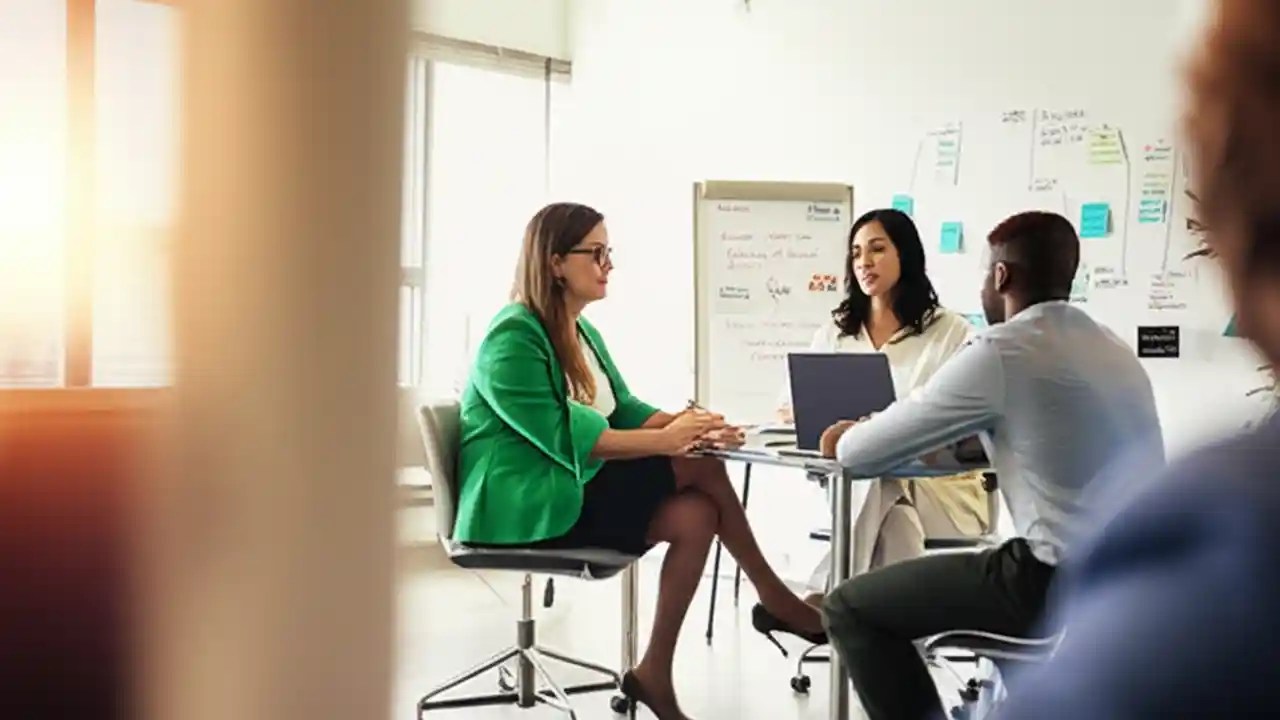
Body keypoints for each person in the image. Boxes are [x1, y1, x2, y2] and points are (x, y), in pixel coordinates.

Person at [995, 1, 1280, 715]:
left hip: (1041, 568)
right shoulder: (1107, 341)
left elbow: (877, 444)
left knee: (856, 605)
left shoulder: (1224, 541)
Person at [453, 202, 825, 720]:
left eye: (610, 252)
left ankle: (654, 671)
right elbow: (565, 436)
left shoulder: (581, 332)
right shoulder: (512, 335)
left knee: (698, 513)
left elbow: (622, 408)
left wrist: (692, 424)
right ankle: (776, 597)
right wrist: (673, 441)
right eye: (596, 252)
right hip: (524, 503)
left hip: (570, 486)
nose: (609, 264)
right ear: (555, 262)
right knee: (699, 465)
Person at [810, 210, 1165, 720]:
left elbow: (861, 454)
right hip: (1130, 572)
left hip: (1051, 577)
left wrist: (848, 435)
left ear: (1001, 277)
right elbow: (1022, 440)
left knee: (849, 607)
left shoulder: (1003, 349)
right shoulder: (1109, 345)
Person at [775, 208, 989, 598]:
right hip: (858, 493)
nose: (864, 262)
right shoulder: (836, 334)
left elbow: (963, 422)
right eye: (856, 253)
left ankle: (827, 596)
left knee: (874, 461)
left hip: (943, 492)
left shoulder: (951, 332)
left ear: (904, 255)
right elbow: (789, 408)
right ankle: (883, 639)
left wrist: (869, 435)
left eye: (876, 249)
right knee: (896, 519)